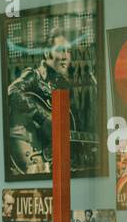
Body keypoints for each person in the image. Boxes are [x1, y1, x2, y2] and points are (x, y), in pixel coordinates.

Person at [6, 30, 97, 175]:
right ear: (47, 53)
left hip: (50, 160)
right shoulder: (34, 76)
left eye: (69, 51)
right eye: (61, 50)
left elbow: (72, 131)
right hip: (32, 152)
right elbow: (13, 91)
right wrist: (42, 119)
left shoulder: (64, 87)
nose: (66, 57)